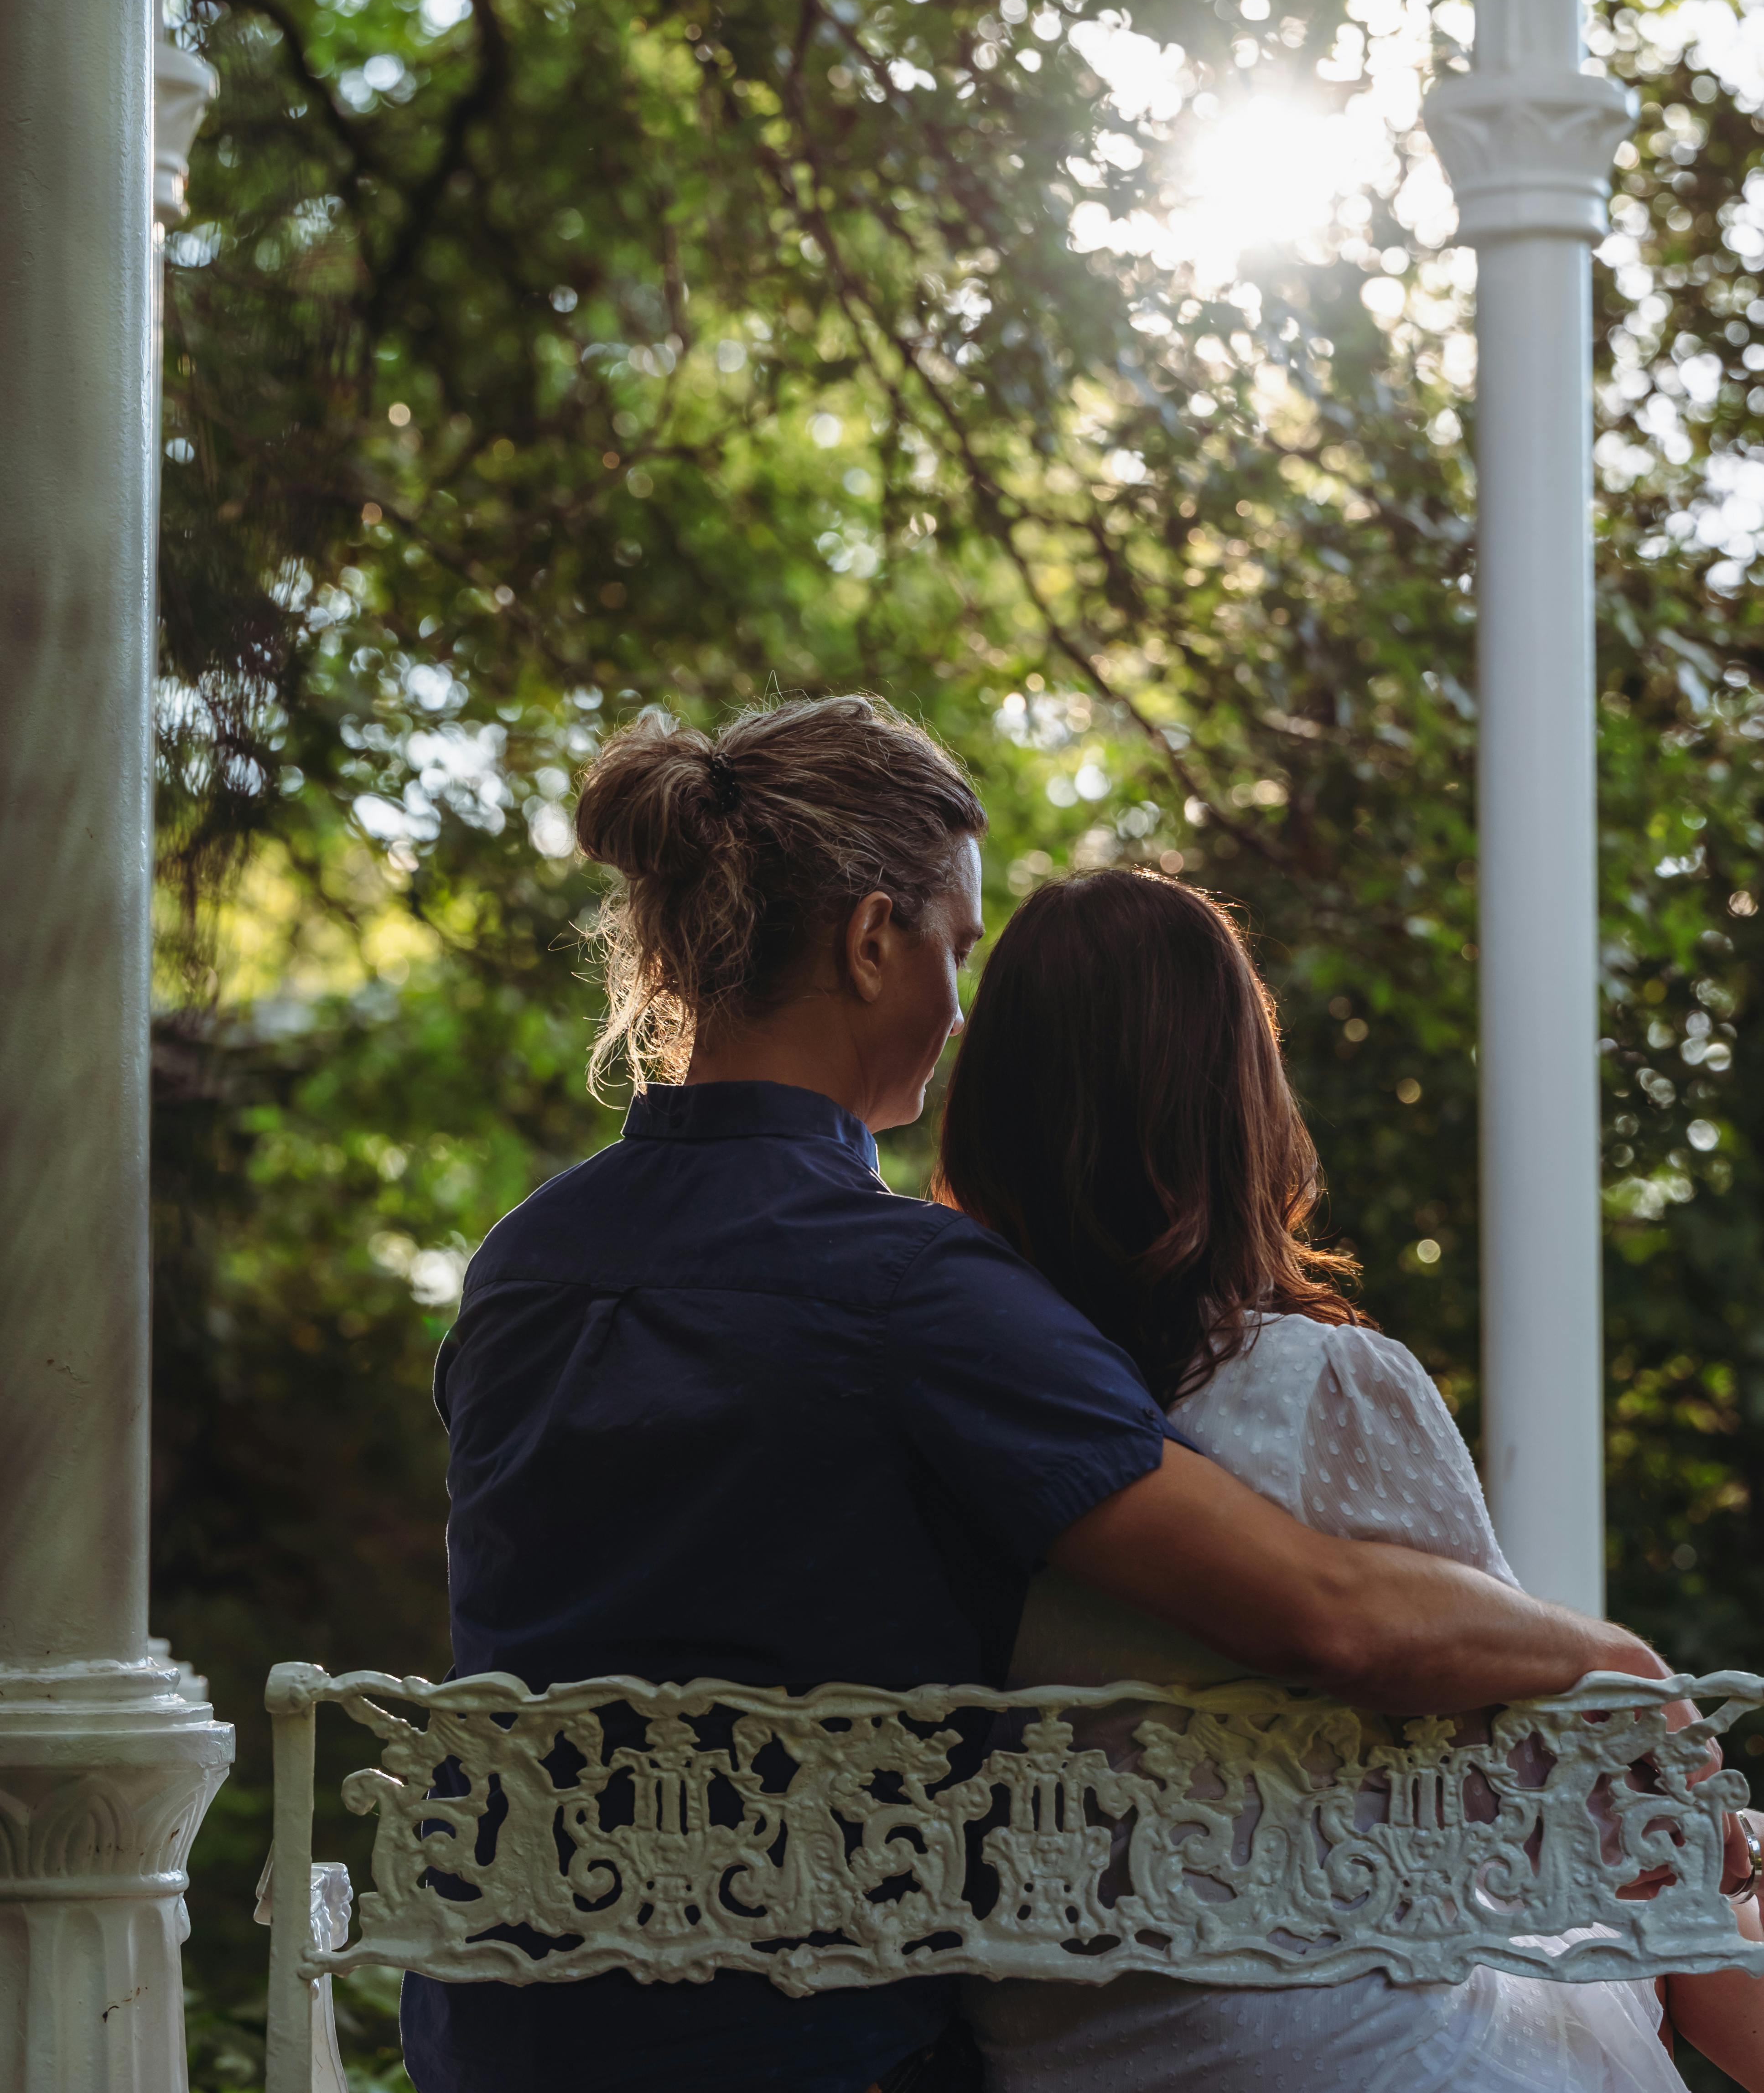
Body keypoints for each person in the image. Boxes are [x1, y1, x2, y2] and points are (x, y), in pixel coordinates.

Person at [401, 696, 1671, 2093]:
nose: (957, 1010)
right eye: (954, 948)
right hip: (806, 2042)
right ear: (871, 938)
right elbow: (1327, 1613)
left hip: (497, 2017)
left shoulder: (526, 1259)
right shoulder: (911, 1289)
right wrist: (1610, 1657)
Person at [937, 865, 1764, 2093]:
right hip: (1328, 2051)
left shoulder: (948, 1407)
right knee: (1685, 1869)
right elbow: (1554, 1767)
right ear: (1238, 1101)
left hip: (1067, 2052)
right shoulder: (1312, 1386)